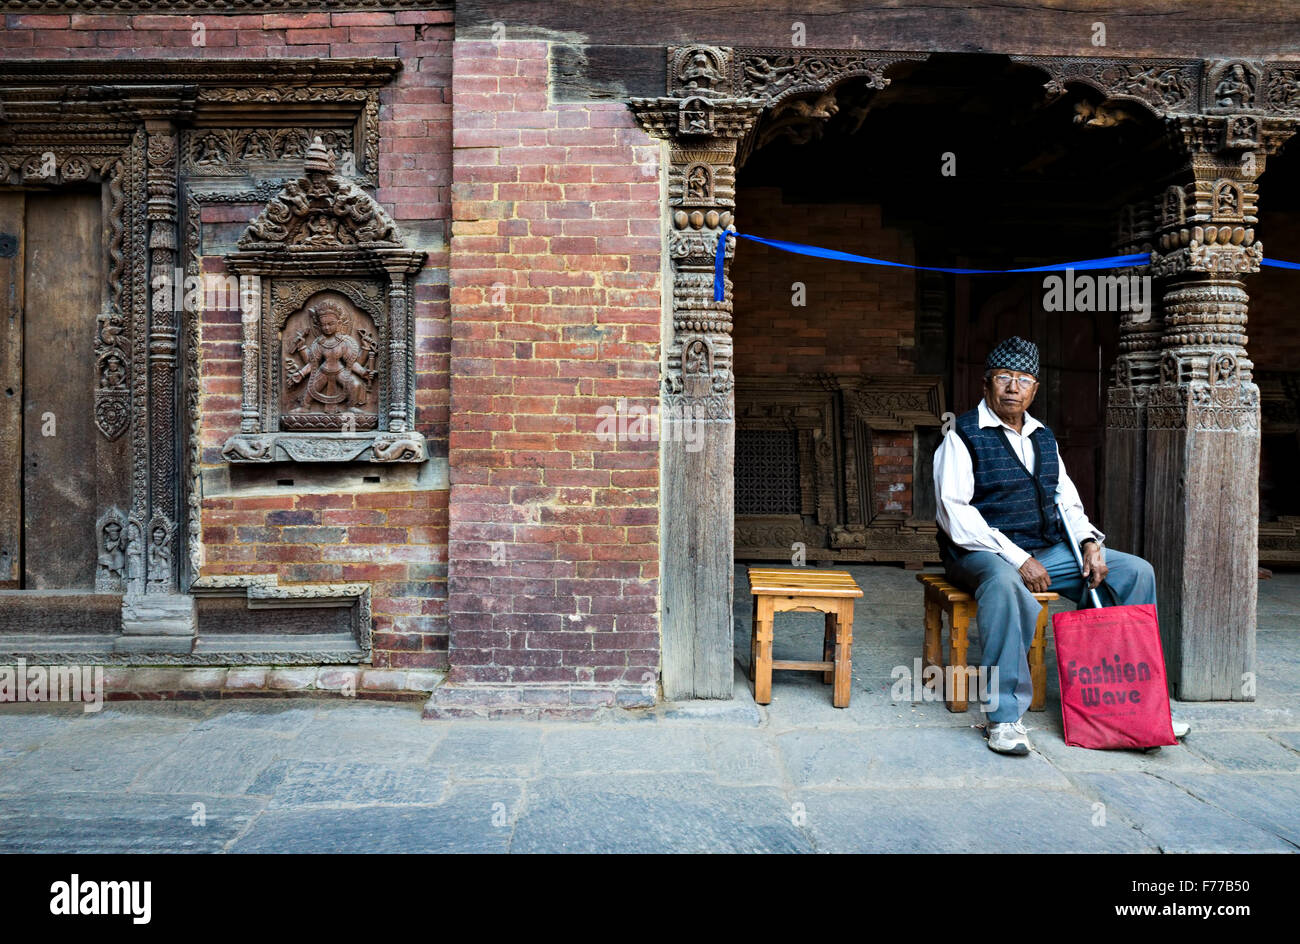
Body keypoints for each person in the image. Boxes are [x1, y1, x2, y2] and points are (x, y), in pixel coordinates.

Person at [932, 336, 1190, 755]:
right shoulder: (962, 435)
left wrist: (1089, 541)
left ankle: (1133, 707)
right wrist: (1018, 559)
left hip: (1046, 549)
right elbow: (955, 514)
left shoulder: (1043, 437)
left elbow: (1066, 500)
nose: (1013, 387)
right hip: (979, 553)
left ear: (1035, 389)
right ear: (986, 385)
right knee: (1004, 585)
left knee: (1134, 572)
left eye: (1023, 379)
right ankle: (1003, 718)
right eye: (1004, 378)